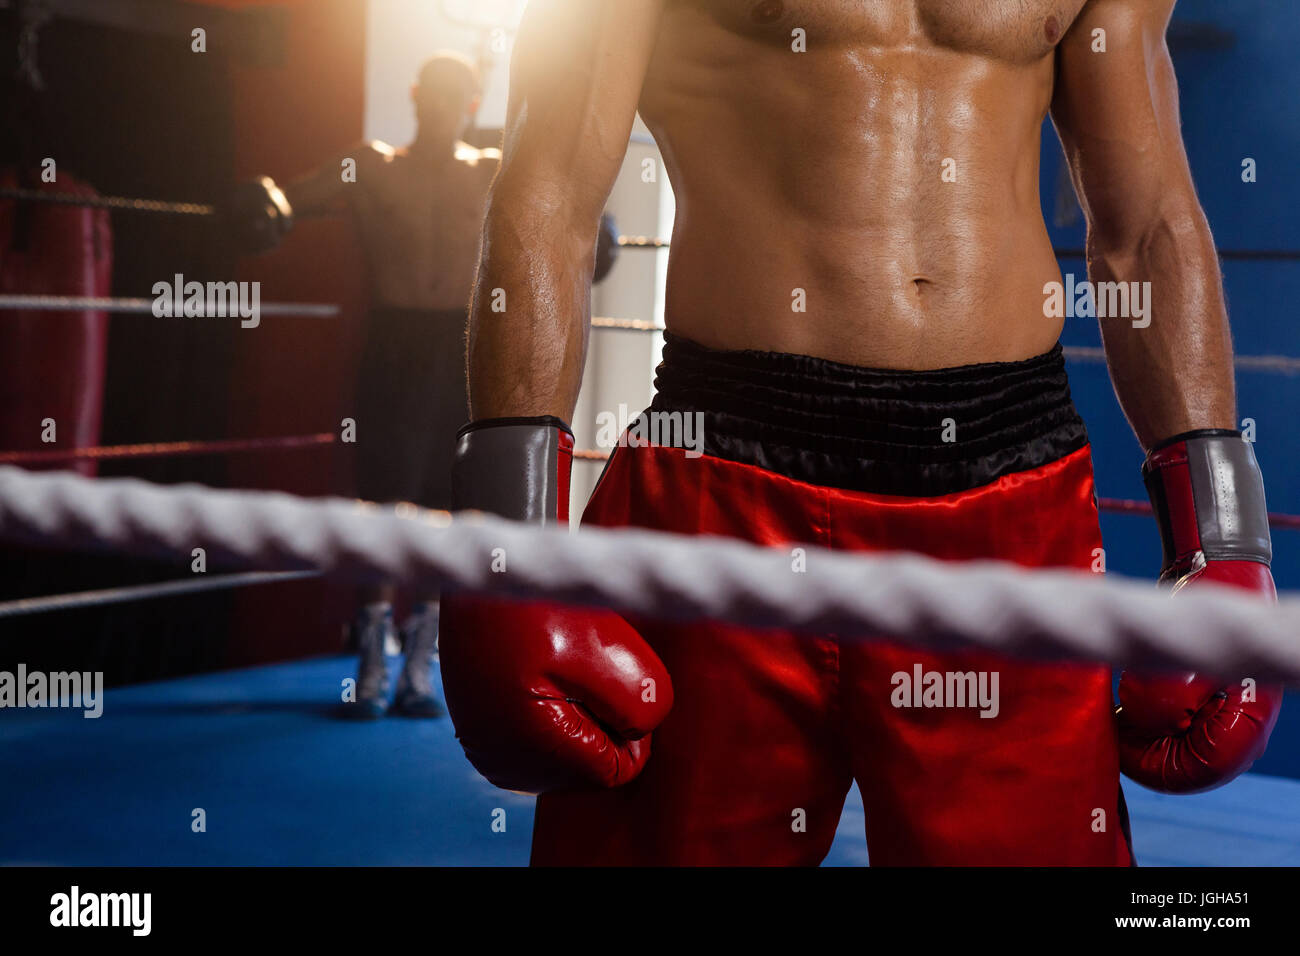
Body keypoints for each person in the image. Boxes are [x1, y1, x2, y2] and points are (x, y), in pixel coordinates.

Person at [439, 0, 1281, 864]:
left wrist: (1221, 533)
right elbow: (550, 188)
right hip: (725, 478)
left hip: (1009, 497)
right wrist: (504, 541)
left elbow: (1145, 227)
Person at [286, 51, 499, 718]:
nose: (437, 105)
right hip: (394, 342)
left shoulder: (492, 172)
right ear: (414, 96)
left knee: (442, 504)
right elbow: (291, 200)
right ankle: (372, 661)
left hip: (457, 346)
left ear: (469, 103)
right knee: (383, 501)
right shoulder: (372, 164)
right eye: (429, 93)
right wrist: (258, 202)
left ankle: (419, 665)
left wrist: (597, 230)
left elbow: (556, 217)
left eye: (452, 95)